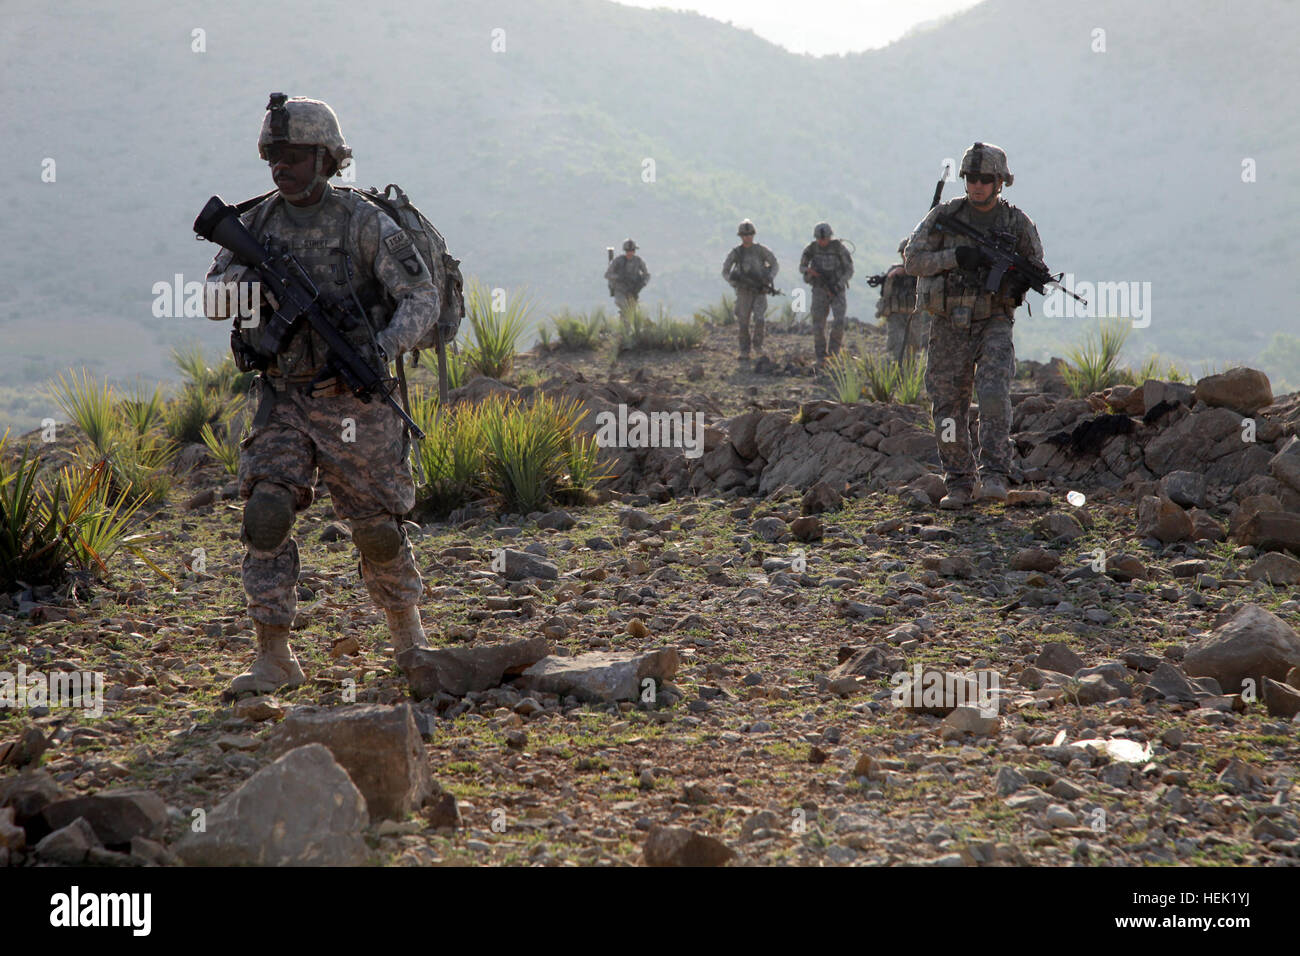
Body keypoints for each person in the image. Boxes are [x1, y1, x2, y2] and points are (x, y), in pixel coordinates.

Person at [203, 94, 443, 694]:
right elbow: (210, 300)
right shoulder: (255, 224)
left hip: (356, 402)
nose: (280, 167)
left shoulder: (362, 222)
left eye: (293, 155)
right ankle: (274, 656)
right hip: (284, 396)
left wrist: (380, 351)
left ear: (327, 158)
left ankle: (409, 639)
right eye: (273, 156)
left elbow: (421, 296)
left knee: (377, 529)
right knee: (265, 514)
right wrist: (253, 285)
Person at [903, 141, 1044, 509]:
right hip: (949, 322)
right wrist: (955, 257)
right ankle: (960, 481)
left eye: (985, 178)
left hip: (993, 320)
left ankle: (996, 473)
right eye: (971, 178)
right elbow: (913, 260)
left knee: (994, 394)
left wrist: (1014, 277)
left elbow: (1035, 268)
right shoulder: (944, 216)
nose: (977, 185)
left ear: (1000, 182)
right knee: (948, 406)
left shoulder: (1016, 223)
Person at [721, 219, 779, 361]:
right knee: (743, 322)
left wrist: (769, 278)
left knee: (759, 319)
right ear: (741, 236)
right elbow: (725, 271)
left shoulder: (761, 250)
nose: (747, 237)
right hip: (743, 292)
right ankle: (744, 350)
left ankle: (758, 347)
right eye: (744, 235)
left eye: (749, 234)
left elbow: (774, 264)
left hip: (759, 291)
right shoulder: (736, 252)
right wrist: (734, 282)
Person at [799, 222, 854, 367]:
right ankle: (821, 356)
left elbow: (849, 270)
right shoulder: (811, 249)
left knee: (839, 322)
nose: (822, 241)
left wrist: (839, 284)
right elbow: (802, 266)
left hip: (837, 289)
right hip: (819, 289)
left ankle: (833, 354)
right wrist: (810, 272)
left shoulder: (839, 249)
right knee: (818, 324)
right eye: (819, 239)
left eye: (824, 238)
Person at [876, 238, 925, 361]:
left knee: (912, 347)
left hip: (913, 315)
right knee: (897, 346)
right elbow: (885, 294)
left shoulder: (922, 271)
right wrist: (891, 277)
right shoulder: (894, 270)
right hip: (896, 315)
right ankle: (898, 374)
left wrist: (908, 272)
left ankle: (907, 376)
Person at [605, 239, 649, 314]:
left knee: (632, 312)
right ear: (625, 251)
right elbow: (608, 275)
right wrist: (619, 277)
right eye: (628, 251)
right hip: (620, 290)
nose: (630, 252)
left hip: (633, 290)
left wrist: (642, 284)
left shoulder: (638, 261)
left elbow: (646, 274)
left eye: (632, 250)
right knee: (624, 307)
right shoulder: (619, 261)